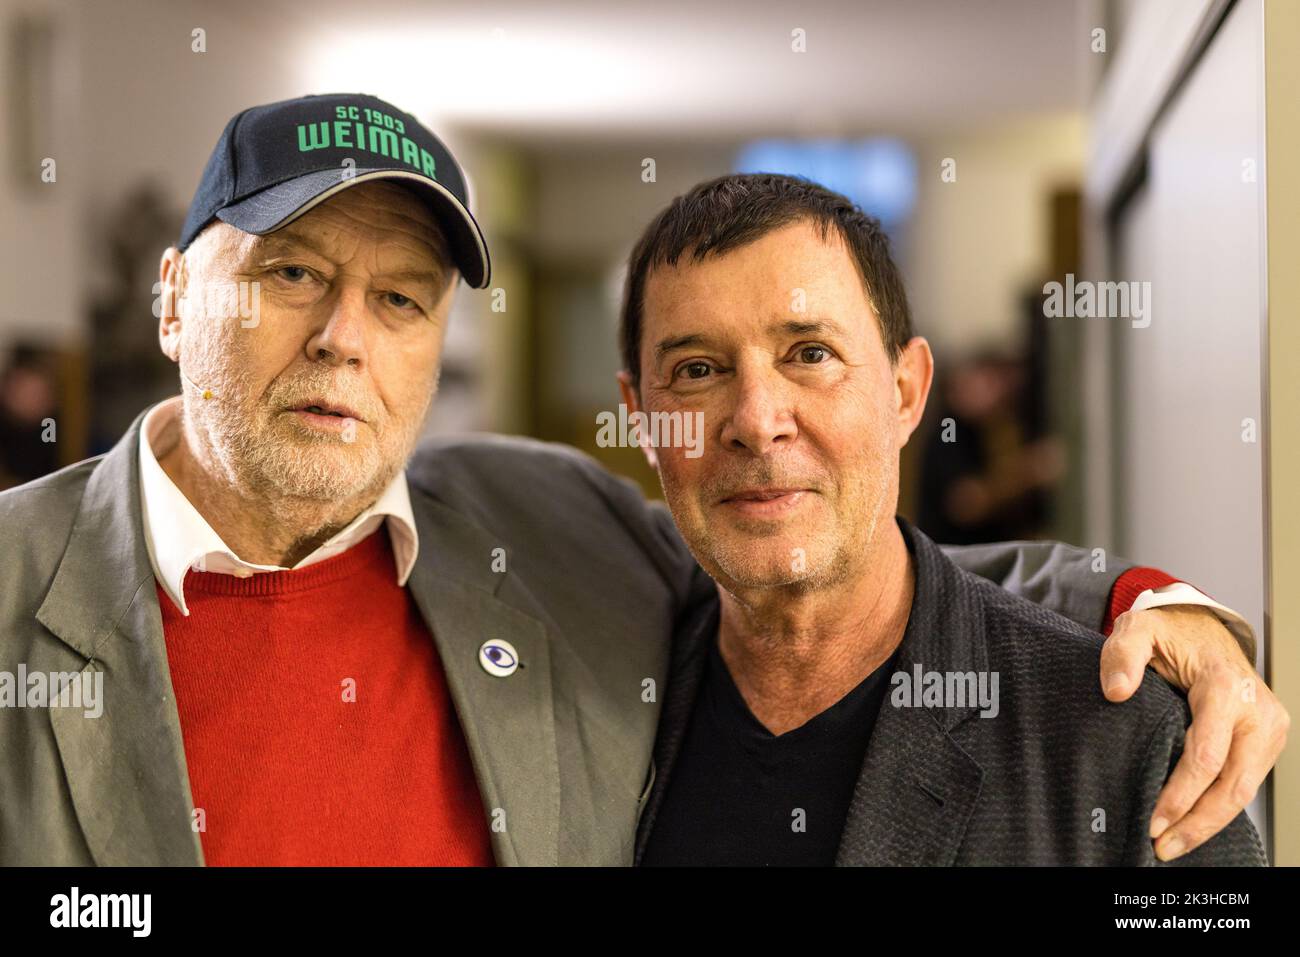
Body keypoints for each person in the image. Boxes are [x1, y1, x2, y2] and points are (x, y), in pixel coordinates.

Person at [0, 96, 1284, 866]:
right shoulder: (21, 594)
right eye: (289, 275)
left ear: (906, 390)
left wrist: (1152, 599)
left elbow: (828, 564)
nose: (343, 334)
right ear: (173, 299)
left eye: (400, 297)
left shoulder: (518, 525)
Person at [619, 173, 1273, 865]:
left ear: (906, 392)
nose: (756, 420)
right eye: (696, 370)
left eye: (811, 354)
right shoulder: (604, 712)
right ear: (638, 418)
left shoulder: (1120, 740)